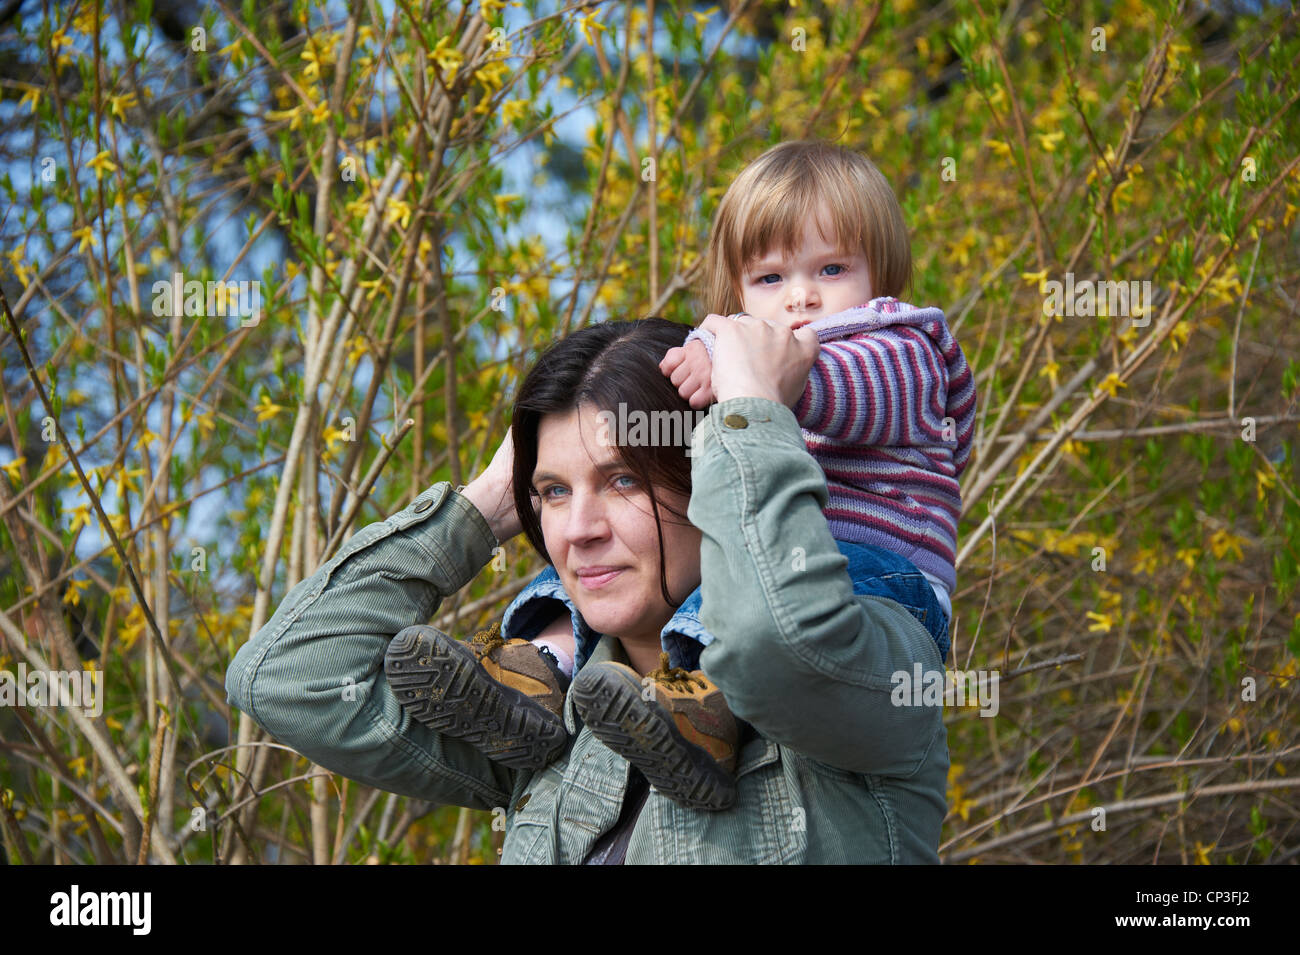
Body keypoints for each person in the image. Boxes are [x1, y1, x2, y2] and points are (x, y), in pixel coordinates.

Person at [224, 316, 950, 863]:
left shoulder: (868, 667)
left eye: (622, 479)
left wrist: (754, 415)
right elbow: (287, 677)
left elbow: (771, 644)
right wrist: (486, 505)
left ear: (713, 475)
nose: (579, 529)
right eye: (554, 491)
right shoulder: (540, 720)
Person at [448, 140, 974, 809]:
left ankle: (700, 710)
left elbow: (850, 389)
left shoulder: (904, 347)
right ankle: (536, 667)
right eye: (771, 278)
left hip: (883, 576)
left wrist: (758, 386)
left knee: (738, 589)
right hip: (777, 553)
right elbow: (703, 352)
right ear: (739, 289)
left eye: (832, 267)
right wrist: (696, 358)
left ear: (883, 273)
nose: (802, 297)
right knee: (594, 552)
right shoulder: (739, 344)